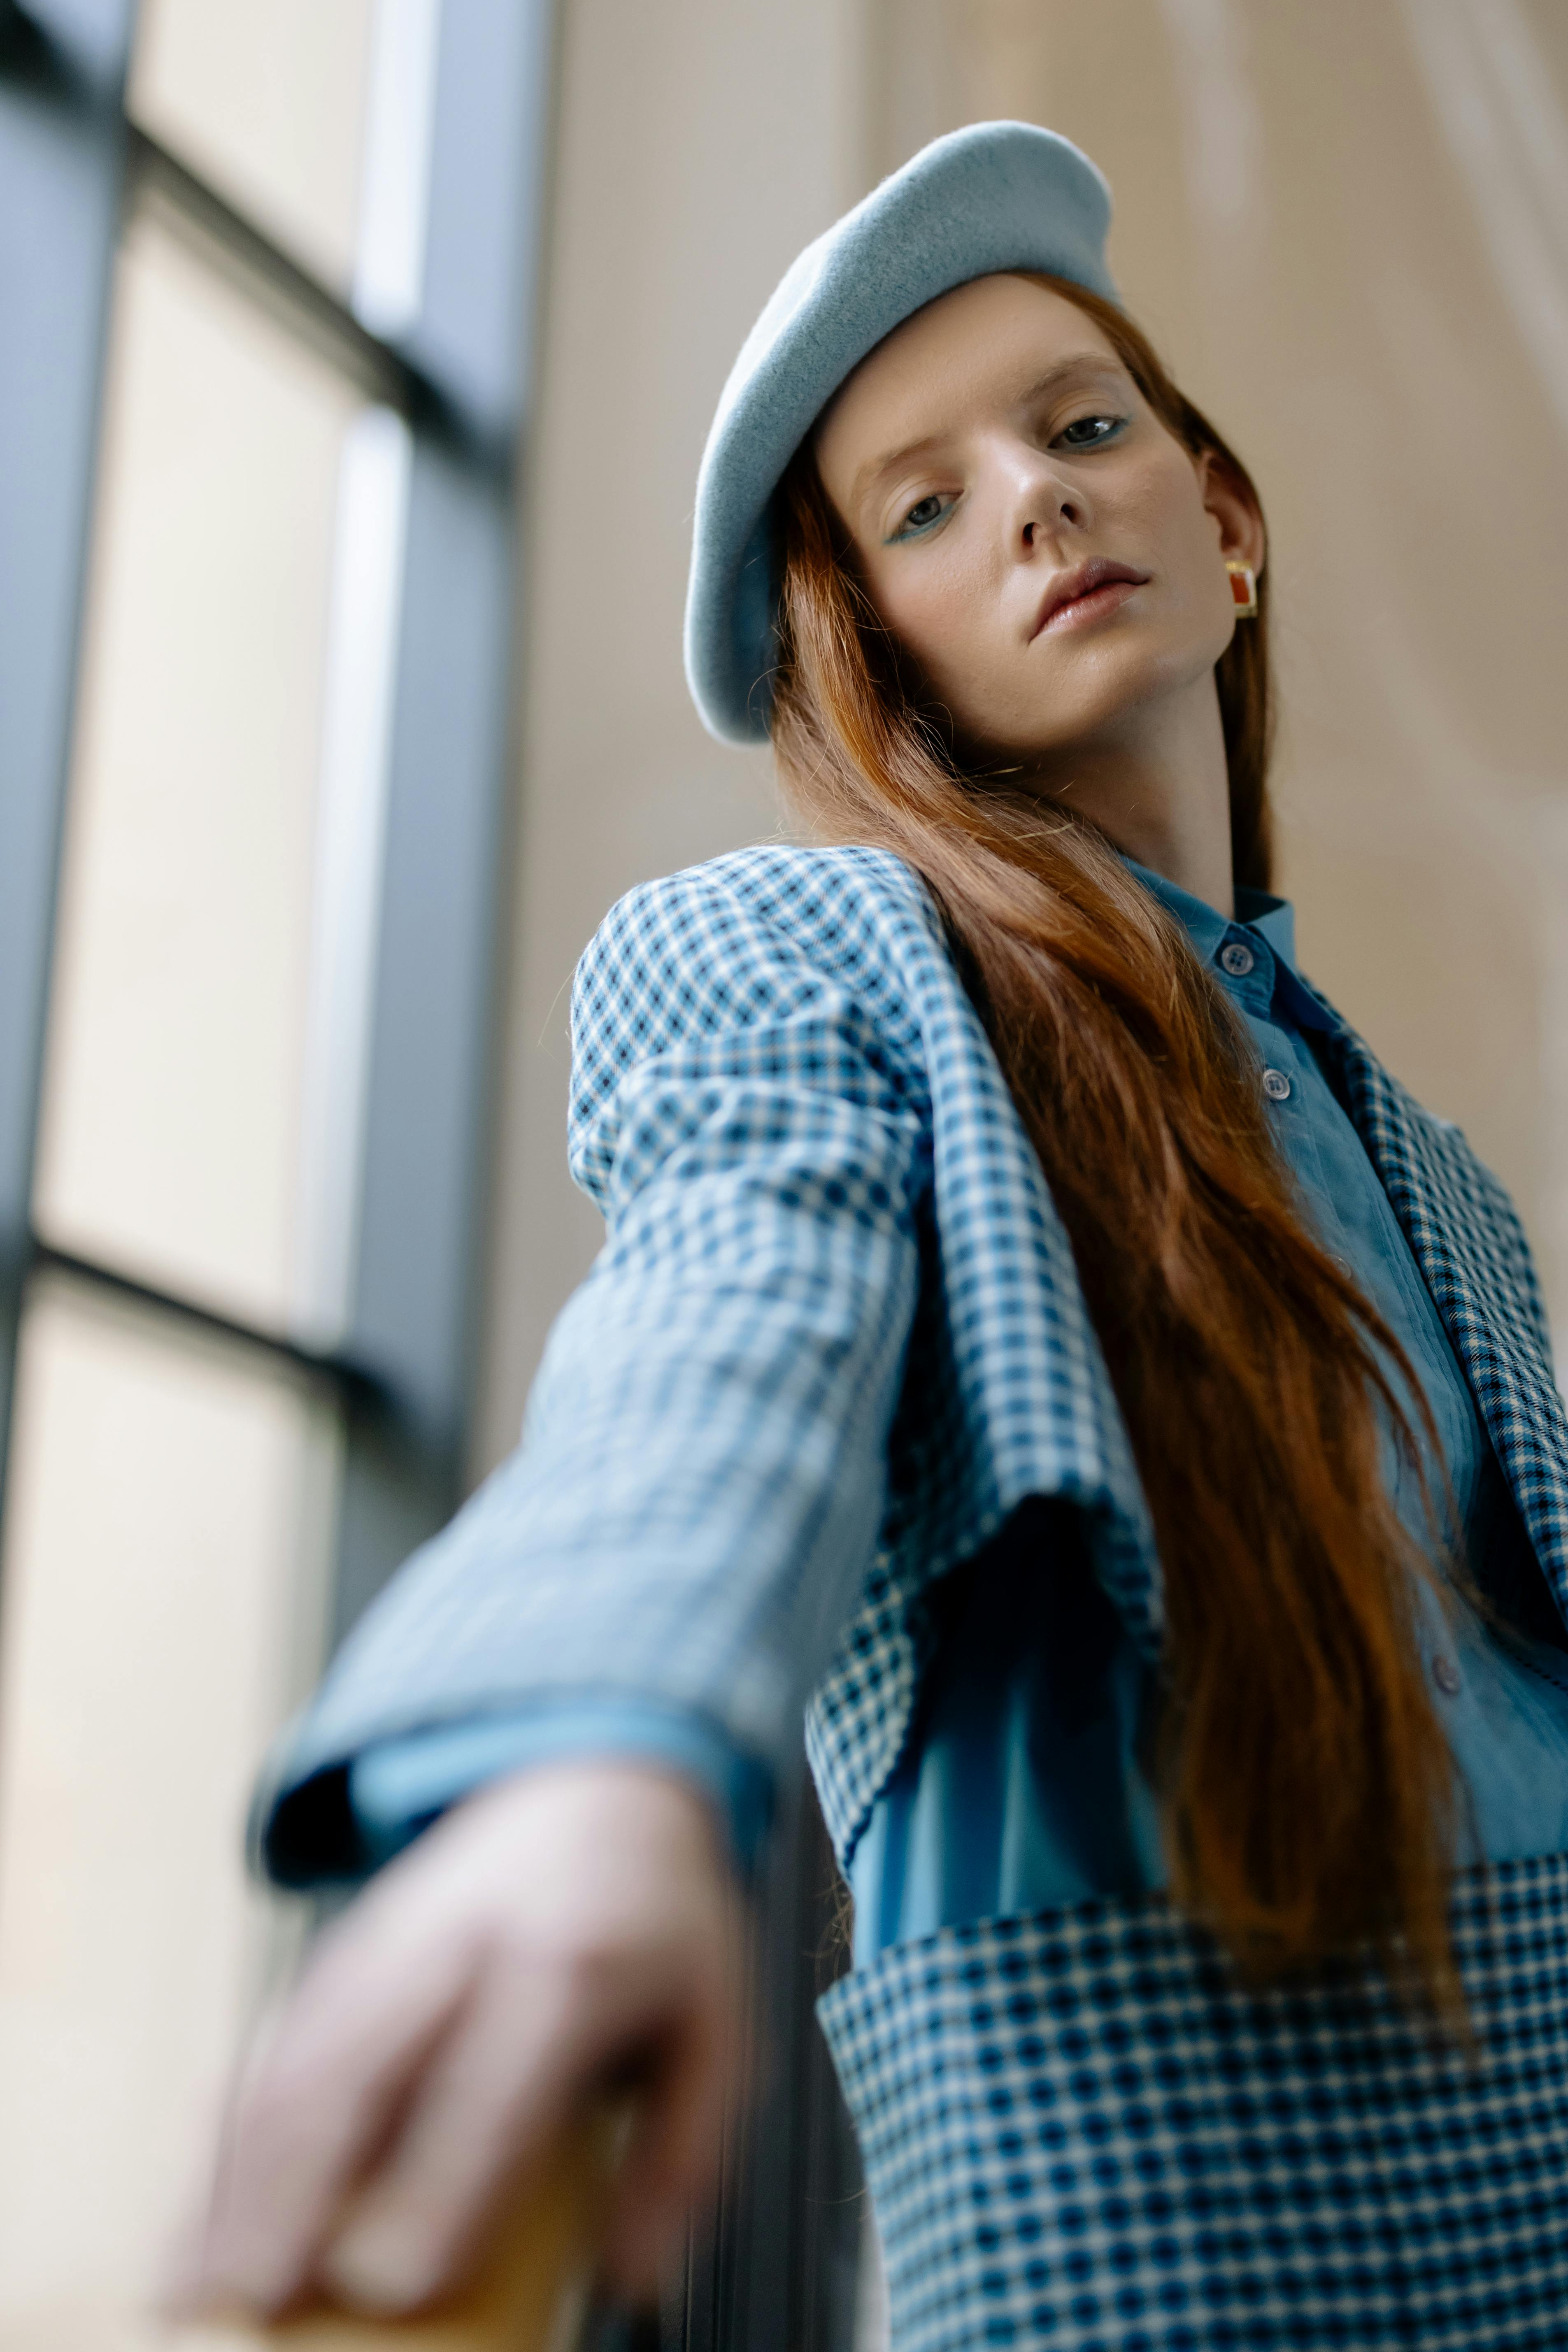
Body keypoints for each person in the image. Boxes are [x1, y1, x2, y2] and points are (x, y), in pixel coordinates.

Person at [180, 123, 1568, 2349]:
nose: (1031, 492)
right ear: (874, 657)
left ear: (1221, 527)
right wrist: (581, 1758)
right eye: (920, 505)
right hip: (1147, 2251)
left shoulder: (1436, 1171)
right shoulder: (809, 957)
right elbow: (721, 1318)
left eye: (1083, 423)